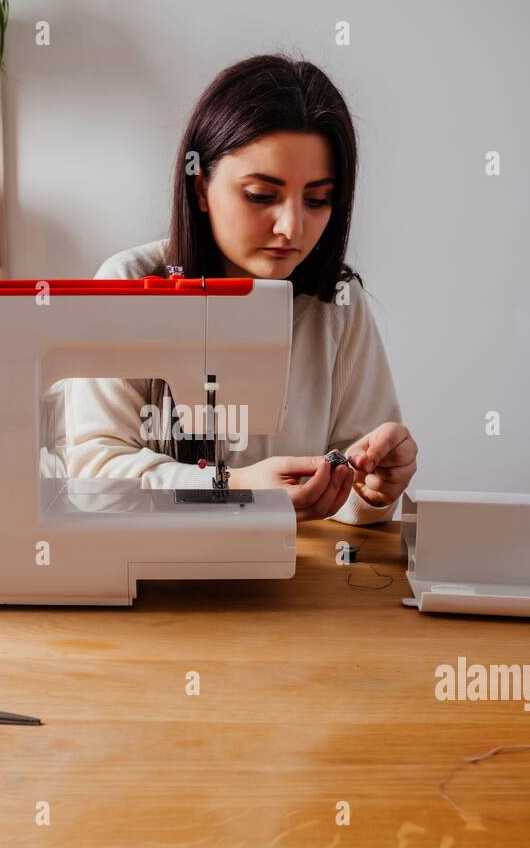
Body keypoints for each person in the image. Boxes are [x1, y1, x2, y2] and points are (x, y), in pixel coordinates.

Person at [61, 54, 416, 524]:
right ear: (201, 185)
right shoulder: (126, 284)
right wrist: (233, 488)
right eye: (261, 196)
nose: (292, 227)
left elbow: (354, 501)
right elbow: (94, 476)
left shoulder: (337, 305)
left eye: (317, 200)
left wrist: (375, 489)